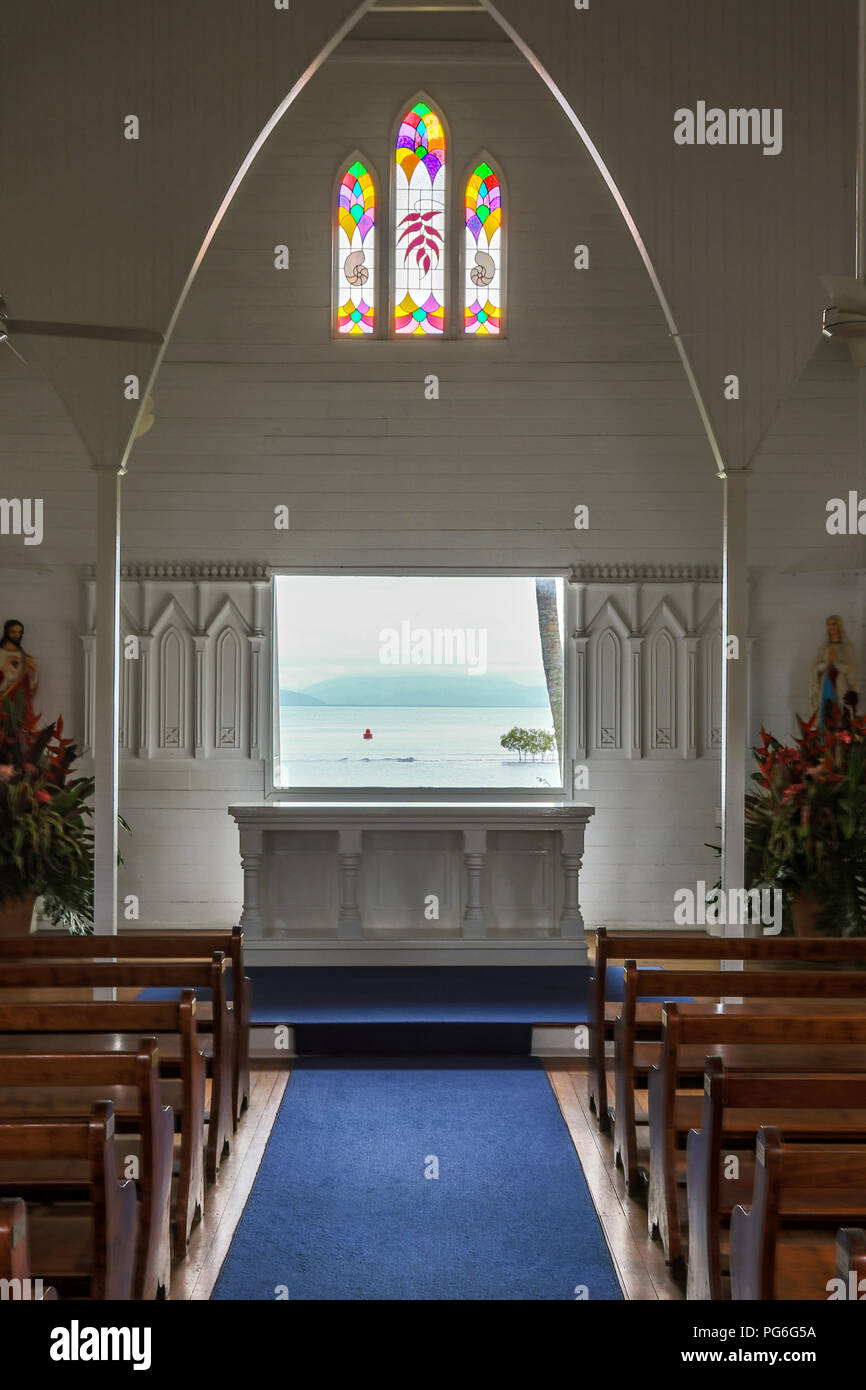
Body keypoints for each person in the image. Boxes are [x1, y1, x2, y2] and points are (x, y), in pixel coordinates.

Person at [810, 614, 859, 725]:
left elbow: (852, 669)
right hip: (826, 684)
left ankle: (841, 739)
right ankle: (825, 739)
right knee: (826, 713)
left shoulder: (847, 647)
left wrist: (837, 662)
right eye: (828, 624)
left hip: (841, 684)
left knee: (841, 713)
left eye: (833, 624)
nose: (831, 627)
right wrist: (827, 662)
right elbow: (815, 668)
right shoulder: (824, 648)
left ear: (839, 626)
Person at [0, 619, 39, 715]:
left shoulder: (22, 655)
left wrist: (34, 670)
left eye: (19, 632)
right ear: (6, 632)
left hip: (15, 700)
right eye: (14, 632)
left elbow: (29, 682)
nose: (17, 635)